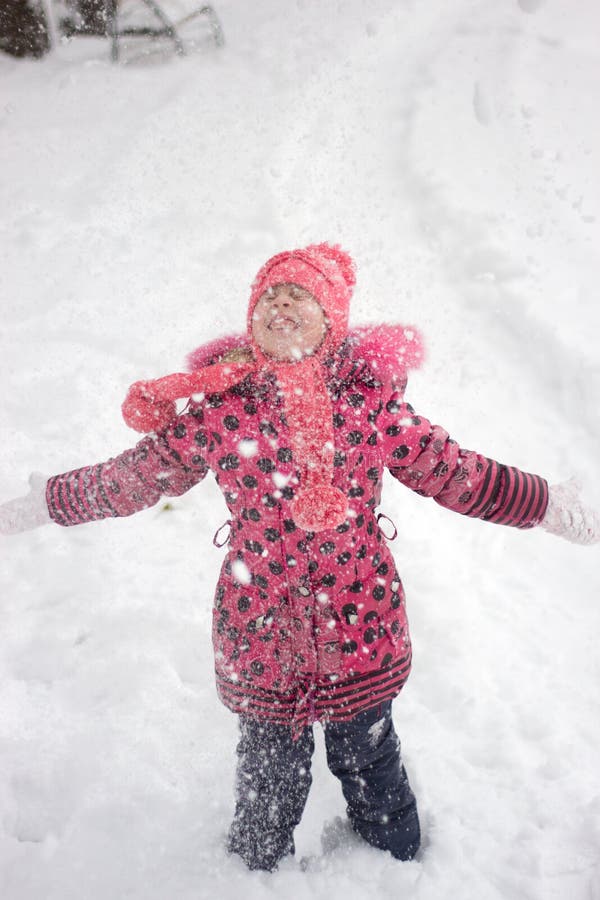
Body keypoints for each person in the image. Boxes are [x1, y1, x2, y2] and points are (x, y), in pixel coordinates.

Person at [1, 243, 598, 872]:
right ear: (252, 325)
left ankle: (398, 862)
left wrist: (547, 505)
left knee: (368, 755)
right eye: (269, 298)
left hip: (357, 620)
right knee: (268, 769)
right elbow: (134, 476)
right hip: (261, 627)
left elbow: (458, 473)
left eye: (300, 296)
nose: (281, 304)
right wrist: (44, 503)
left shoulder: (371, 407)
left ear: (333, 322)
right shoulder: (223, 411)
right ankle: (254, 871)